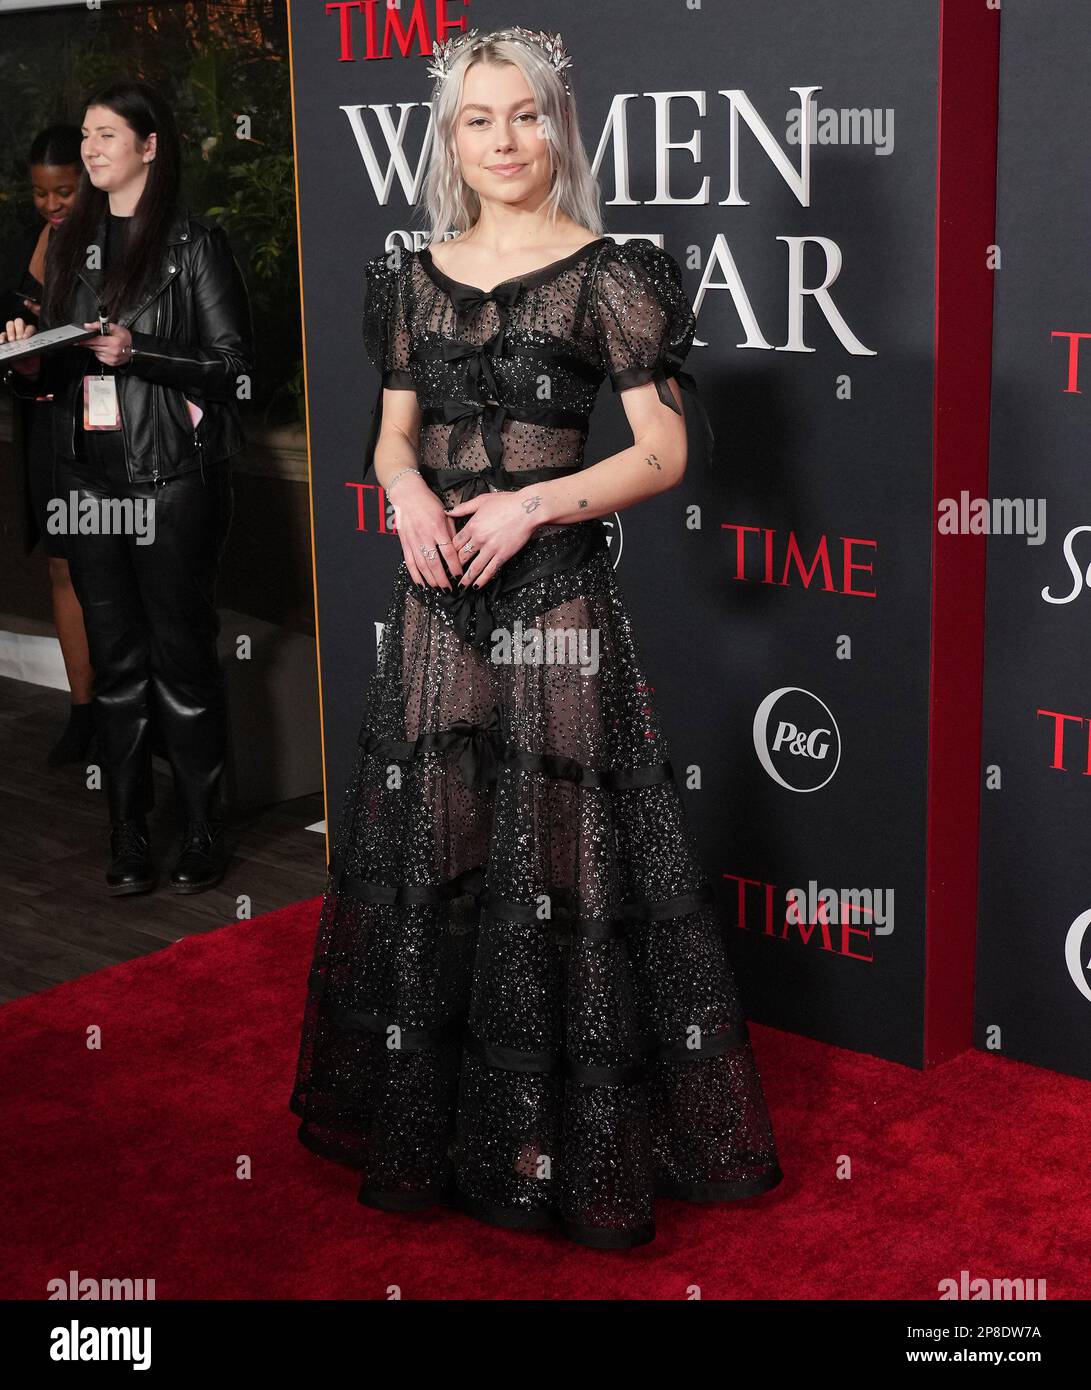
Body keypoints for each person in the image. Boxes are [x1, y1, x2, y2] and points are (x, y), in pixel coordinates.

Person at [290, 26, 782, 1249]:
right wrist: (400, 489)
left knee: (557, 865)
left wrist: (528, 502)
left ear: (557, 126)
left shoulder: (609, 270)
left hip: (554, 600)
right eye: (477, 120)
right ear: (448, 139)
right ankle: (450, 1123)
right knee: (440, 854)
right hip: (434, 605)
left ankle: (560, 1132)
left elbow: (664, 454)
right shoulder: (411, 276)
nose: (502, 140)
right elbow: (393, 435)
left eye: (523, 116)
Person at [0, 80, 254, 895]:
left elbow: (232, 368)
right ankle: (129, 834)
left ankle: (203, 828)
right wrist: (32, 359)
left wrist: (137, 351)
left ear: (150, 146)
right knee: (115, 665)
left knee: (181, 657)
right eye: (85, 135)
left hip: (172, 477)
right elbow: (51, 378)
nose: (90, 148)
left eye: (107, 135)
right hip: (86, 475)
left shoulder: (193, 242)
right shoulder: (67, 241)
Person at [5, 125, 97, 766]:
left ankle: (129, 712)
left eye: (63, 189)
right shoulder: (33, 240)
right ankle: (84, 710)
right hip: (46, 421)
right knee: (61, 563)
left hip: (103, 425)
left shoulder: (117, 236)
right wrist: (23, 353)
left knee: (111, 568)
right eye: (42, 194)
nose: (53, 204)